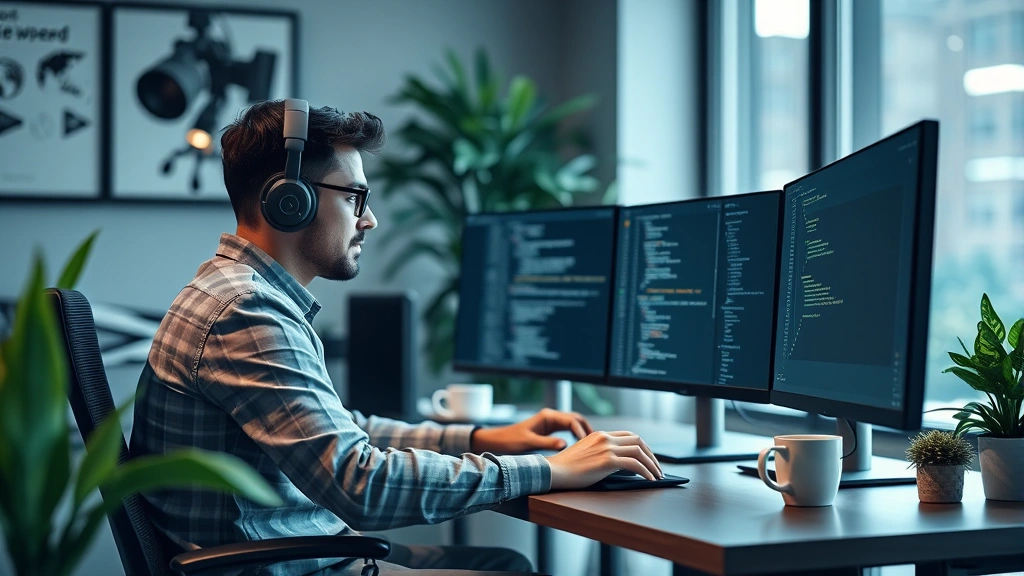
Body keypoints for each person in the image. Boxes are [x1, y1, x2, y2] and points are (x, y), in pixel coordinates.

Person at [130, 99, 663, 576]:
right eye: (355, 197)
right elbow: (360, 485)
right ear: (289, 200)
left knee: (501, 561)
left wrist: (480, 438)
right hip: (287, 565)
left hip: (299, 551)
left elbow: (341, 432)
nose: (371, 220)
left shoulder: (235, 293)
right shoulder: (246, 311)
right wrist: (549, 468)